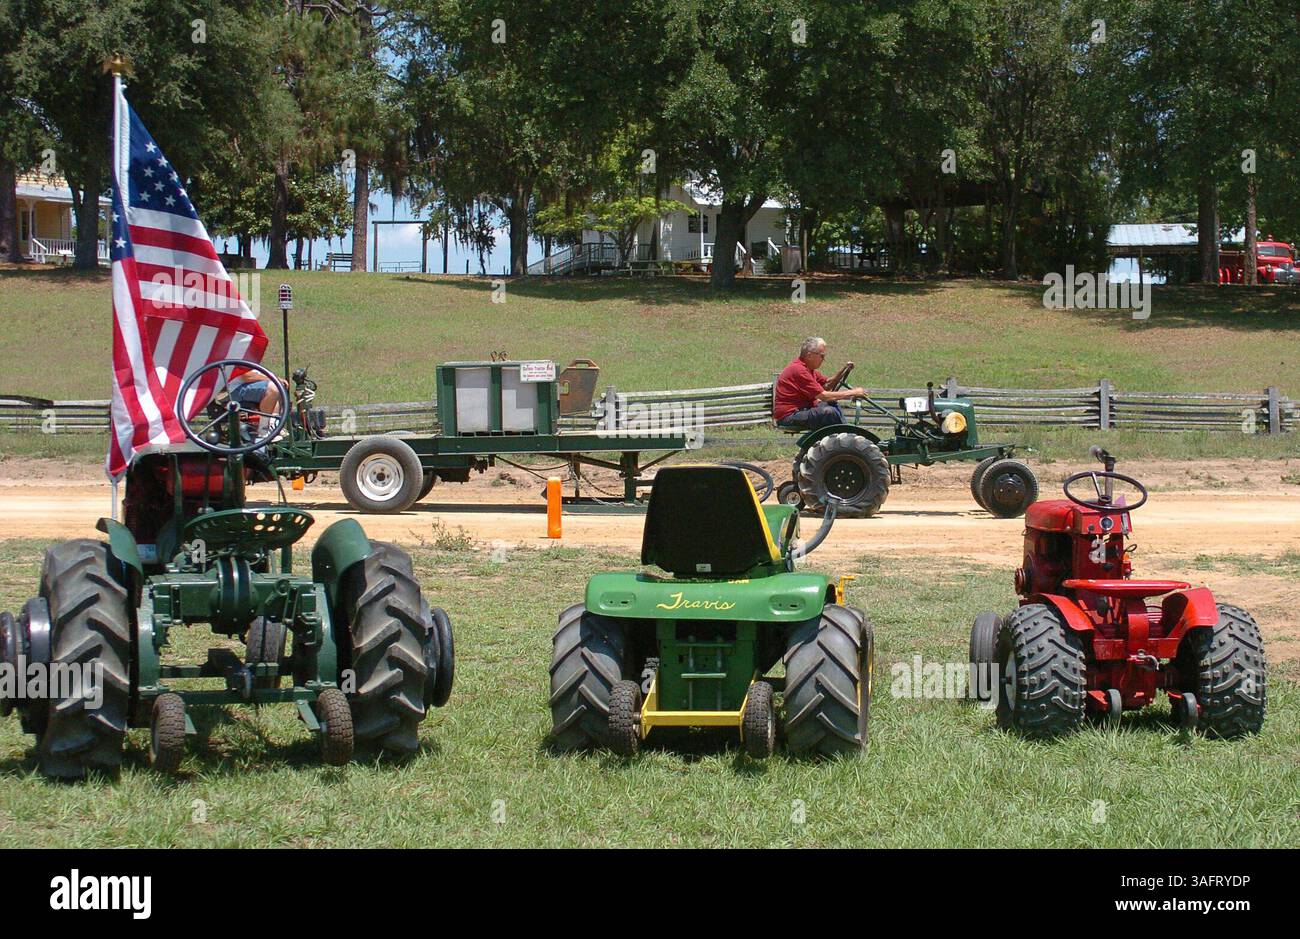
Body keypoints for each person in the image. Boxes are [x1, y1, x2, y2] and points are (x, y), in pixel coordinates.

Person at [773, 337, 866, 430]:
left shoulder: (808, 369)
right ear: (809, 355)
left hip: (802, 411)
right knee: (828, 412)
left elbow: (827, 385)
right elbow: (823, 396)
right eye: (822, 356)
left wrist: (844, 370)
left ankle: (845, 434)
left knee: (832, 403)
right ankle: (844, 436)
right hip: (789, 416)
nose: (823, 359)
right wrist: (853, 393)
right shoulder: (799, 370)